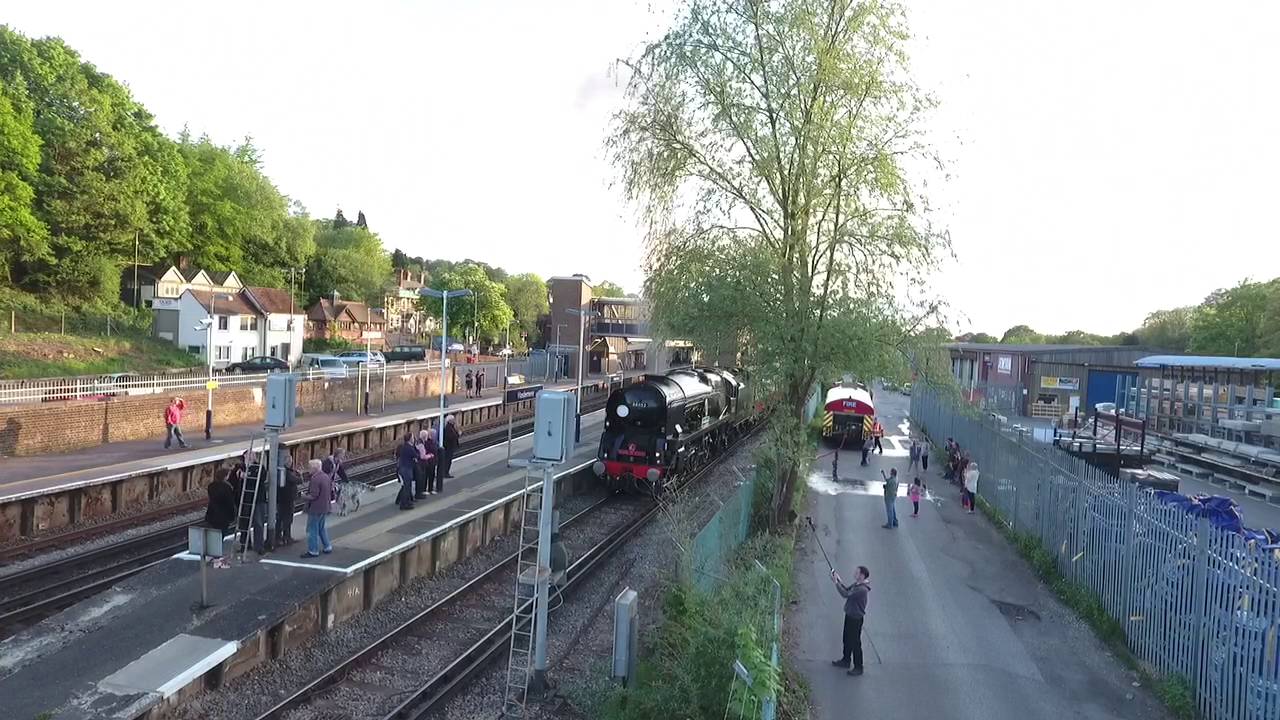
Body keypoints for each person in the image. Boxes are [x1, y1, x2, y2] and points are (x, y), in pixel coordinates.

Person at [830, 565, 871, 676]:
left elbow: (845, 594)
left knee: (855, 643)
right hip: (850, 615)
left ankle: (858, 667)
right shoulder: (857, 585)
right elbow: (847, 589)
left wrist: (836, 583)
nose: (854, 574)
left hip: (856, 619)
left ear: (862, 575)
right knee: (846, 638)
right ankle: (846, 660)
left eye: (857, 573)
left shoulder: (862, 589)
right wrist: (838, 579)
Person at [299, 459, 333, 558]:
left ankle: (313, 550)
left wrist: (303, 496)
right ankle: (327, 546)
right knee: (321, 528)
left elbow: (313, 496)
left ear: (314, 468)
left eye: (309, 467)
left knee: (311, 529)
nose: (308, 469)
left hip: (316, 508)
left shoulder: (315, 479)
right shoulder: (326, 476)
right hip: (324, 507)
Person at [275, 452, 300, 546]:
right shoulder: (288, 472)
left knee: (280, 518)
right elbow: (298, 480)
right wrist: (299, 474)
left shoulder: (281, 471)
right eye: (290, 461)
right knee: (287, 519)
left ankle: (280, 536)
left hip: (281, 498)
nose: (291, 462)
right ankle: (286, 537)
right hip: (288, 499)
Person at [395, 433, 418, 510]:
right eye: (413, 438)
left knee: (406, 486)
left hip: (404, 468)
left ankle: (405, 502)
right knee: (407, 487)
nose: (414, 439)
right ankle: (404, 504)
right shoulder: (409, 447)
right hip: (406, 469)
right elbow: (416, 455)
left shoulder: (405, 447)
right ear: (410, 439)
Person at [413, 429, 437, 499]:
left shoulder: (419, 442)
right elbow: (422, 456)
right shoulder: (422, 444)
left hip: (423, 463)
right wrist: (430, 455)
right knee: (423, 477)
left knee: (424, 476)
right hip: (423, 463)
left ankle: (424, 490)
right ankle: (421, 492)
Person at [442, 415, 460, 480]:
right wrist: (458, 434)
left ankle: (446, 472)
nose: (454, 421)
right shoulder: (448, 428)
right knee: (447, 460)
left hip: (449, 447)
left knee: (448, 460)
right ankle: (445, 473)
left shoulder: (451, 427)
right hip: (448, 447)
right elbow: (450, 437)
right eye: (453, 420)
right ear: (450, 421)